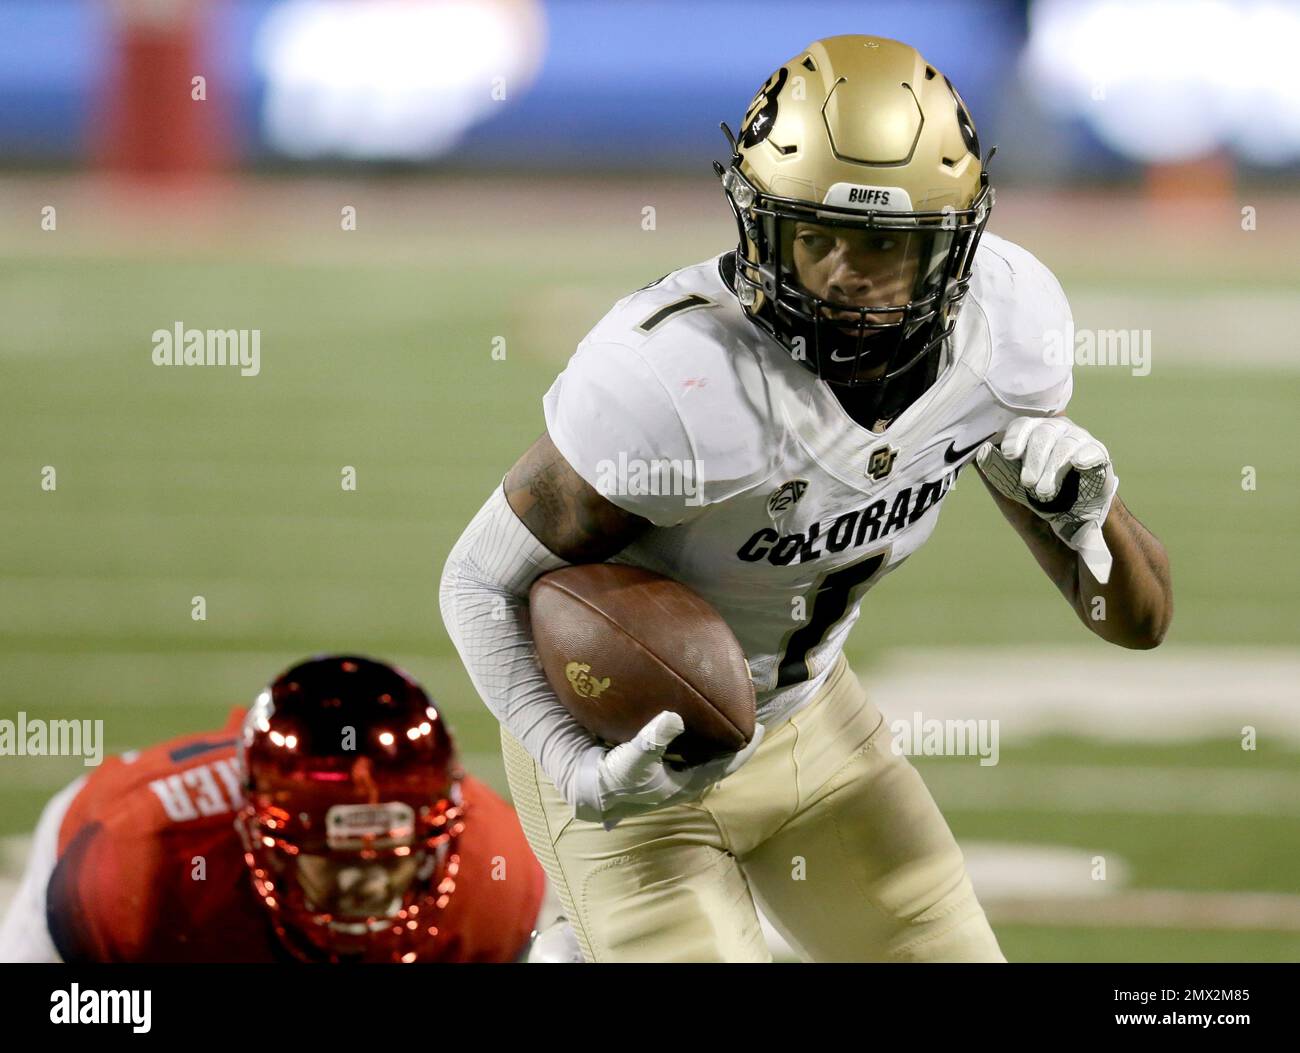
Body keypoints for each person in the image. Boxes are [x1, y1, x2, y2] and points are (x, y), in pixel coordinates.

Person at [439, 34, 1173, 962]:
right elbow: (476, 579)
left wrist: (1088, 515)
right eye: (812, 235)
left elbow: (1135, 621)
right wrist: (574, 763)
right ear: (757, 220)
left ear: (953, 253)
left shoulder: (1005, 335)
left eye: (878, 246)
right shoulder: (677, 378)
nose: (838, 277)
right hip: (639, 753)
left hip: (818, 726)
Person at [0, 655, 549, 962]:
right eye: (340, 861)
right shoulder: (132, 871)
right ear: (264, 844)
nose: (370, 884)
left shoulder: (497, 875)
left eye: (391, 856)